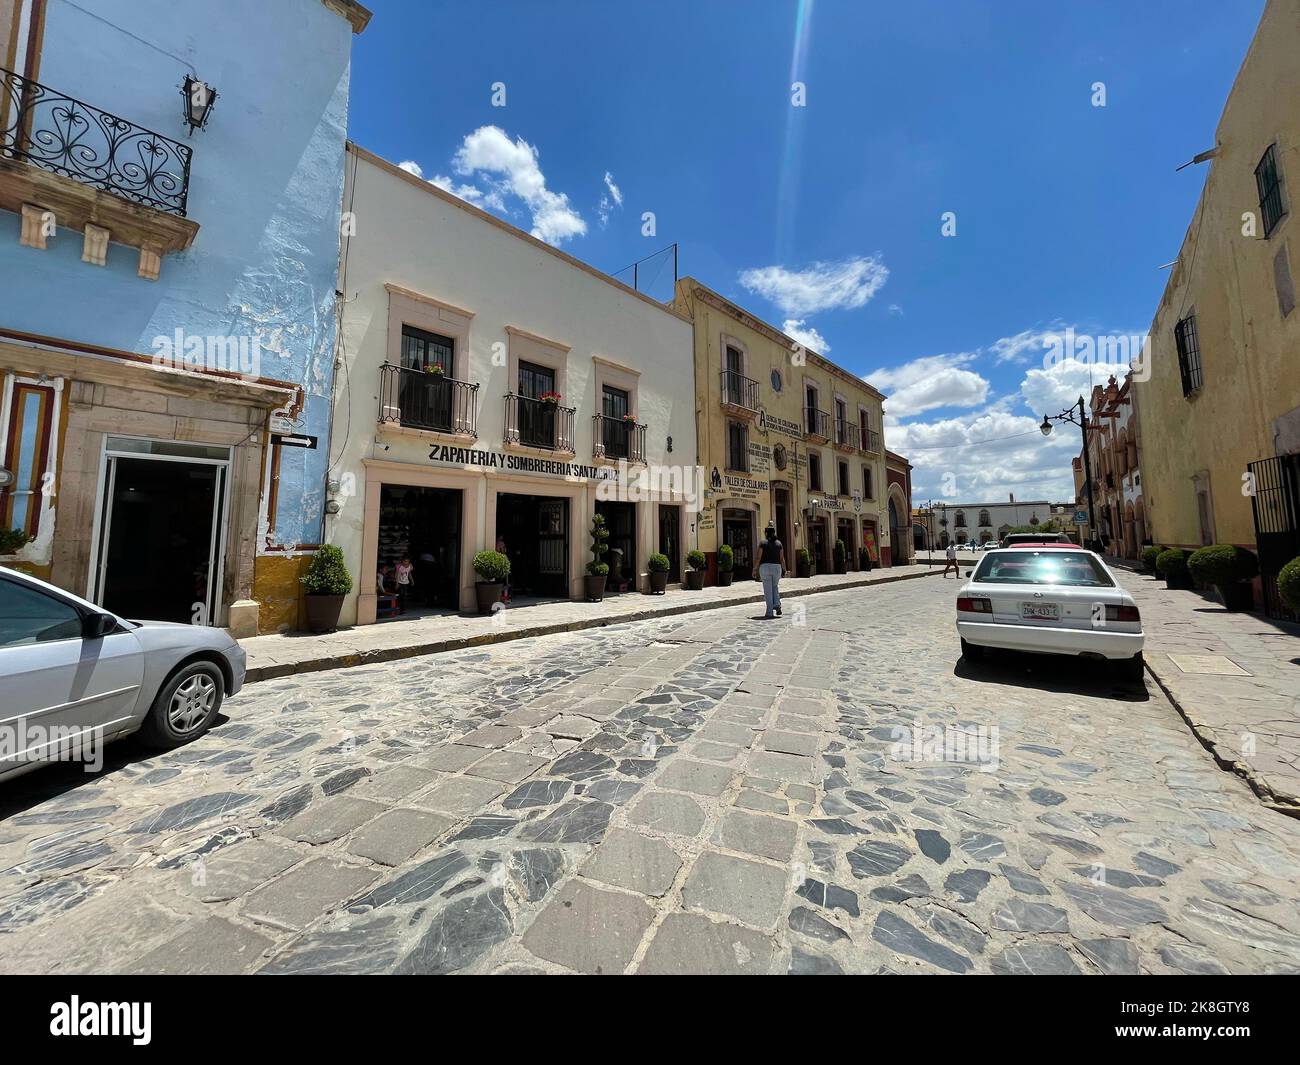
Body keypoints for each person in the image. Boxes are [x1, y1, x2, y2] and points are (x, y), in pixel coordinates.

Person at [753, 524, 786, 619]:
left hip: (765, 567)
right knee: (774, 586)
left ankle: (769, 612)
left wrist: (755, 569)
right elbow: (782, 558)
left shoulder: (763, 543)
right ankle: (777, 604)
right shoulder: (779, 544)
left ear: (767, 533)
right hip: (777, 568)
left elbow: (759, 557)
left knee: (768, 590)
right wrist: (784, 569)